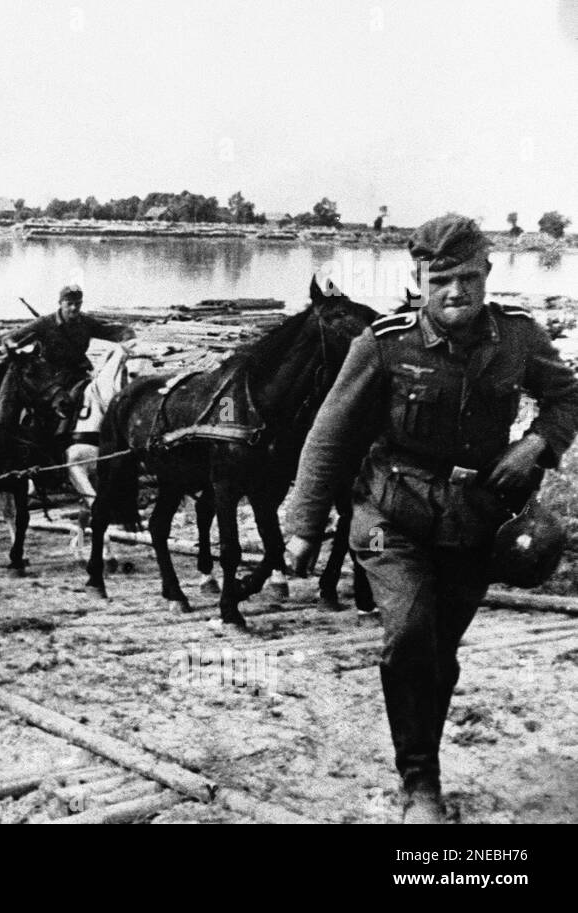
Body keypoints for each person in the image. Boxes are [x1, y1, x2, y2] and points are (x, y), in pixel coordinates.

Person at [284, 214, 578, 823]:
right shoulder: (384, 344)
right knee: (411, 634)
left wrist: (535, 446)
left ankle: (424, 760)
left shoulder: (518, 338)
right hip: (392, 514)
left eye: (468, 277)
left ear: (488, 274)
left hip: (474, 520)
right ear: (417, 277)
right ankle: (419, 783)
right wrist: (304, 526)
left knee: (440, 650)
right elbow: (328, 437)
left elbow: (568, 395)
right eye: (440, 278)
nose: (455, 292)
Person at [2, 285, 135, 437]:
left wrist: (128, 339)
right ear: (60, 303)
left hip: (78, 374)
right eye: (69, 304)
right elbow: (9, 338)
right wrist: (13, 345)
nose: (74, 308)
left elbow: (115, 331)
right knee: (42, 410)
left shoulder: (86, 322)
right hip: (49, 378)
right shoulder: (44, 323)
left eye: (78, 304)